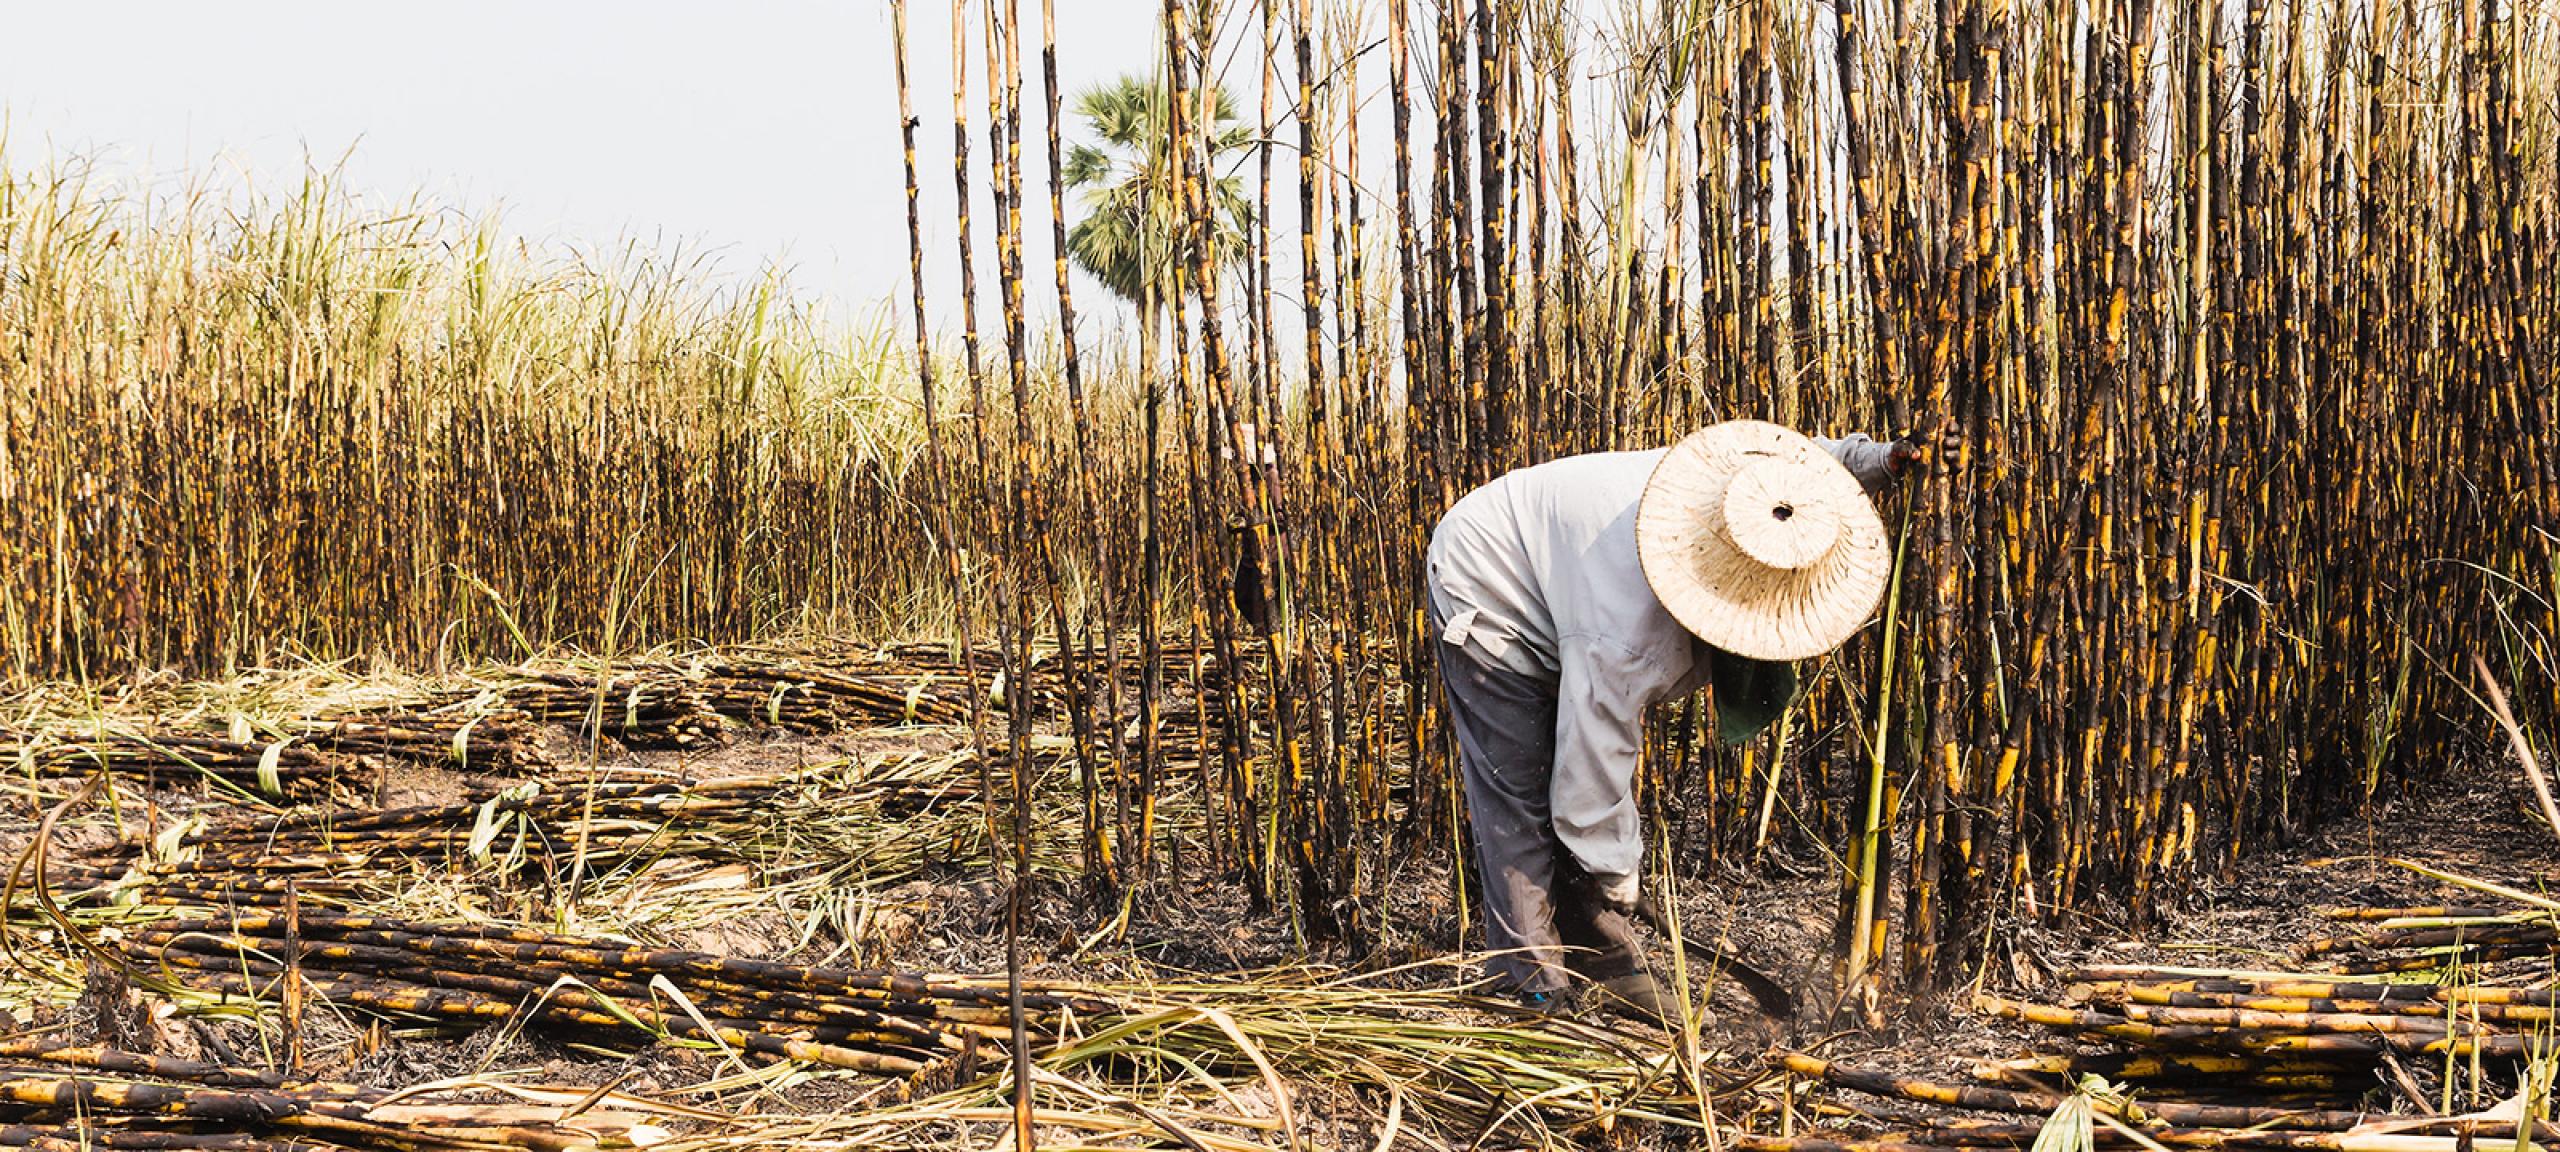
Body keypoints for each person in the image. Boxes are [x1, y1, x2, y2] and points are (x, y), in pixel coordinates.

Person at [1426, 420, 1921, 1023]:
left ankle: (1603, 964)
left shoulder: (1745, 491)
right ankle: (1528, 979)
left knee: (1576, 816)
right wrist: (1617, 873)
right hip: (1490, 574)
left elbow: (1803, 468)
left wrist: (1875, 460)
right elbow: (1591, 764)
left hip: (1568, 574)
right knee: (1520, 788)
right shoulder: (1629, 634)